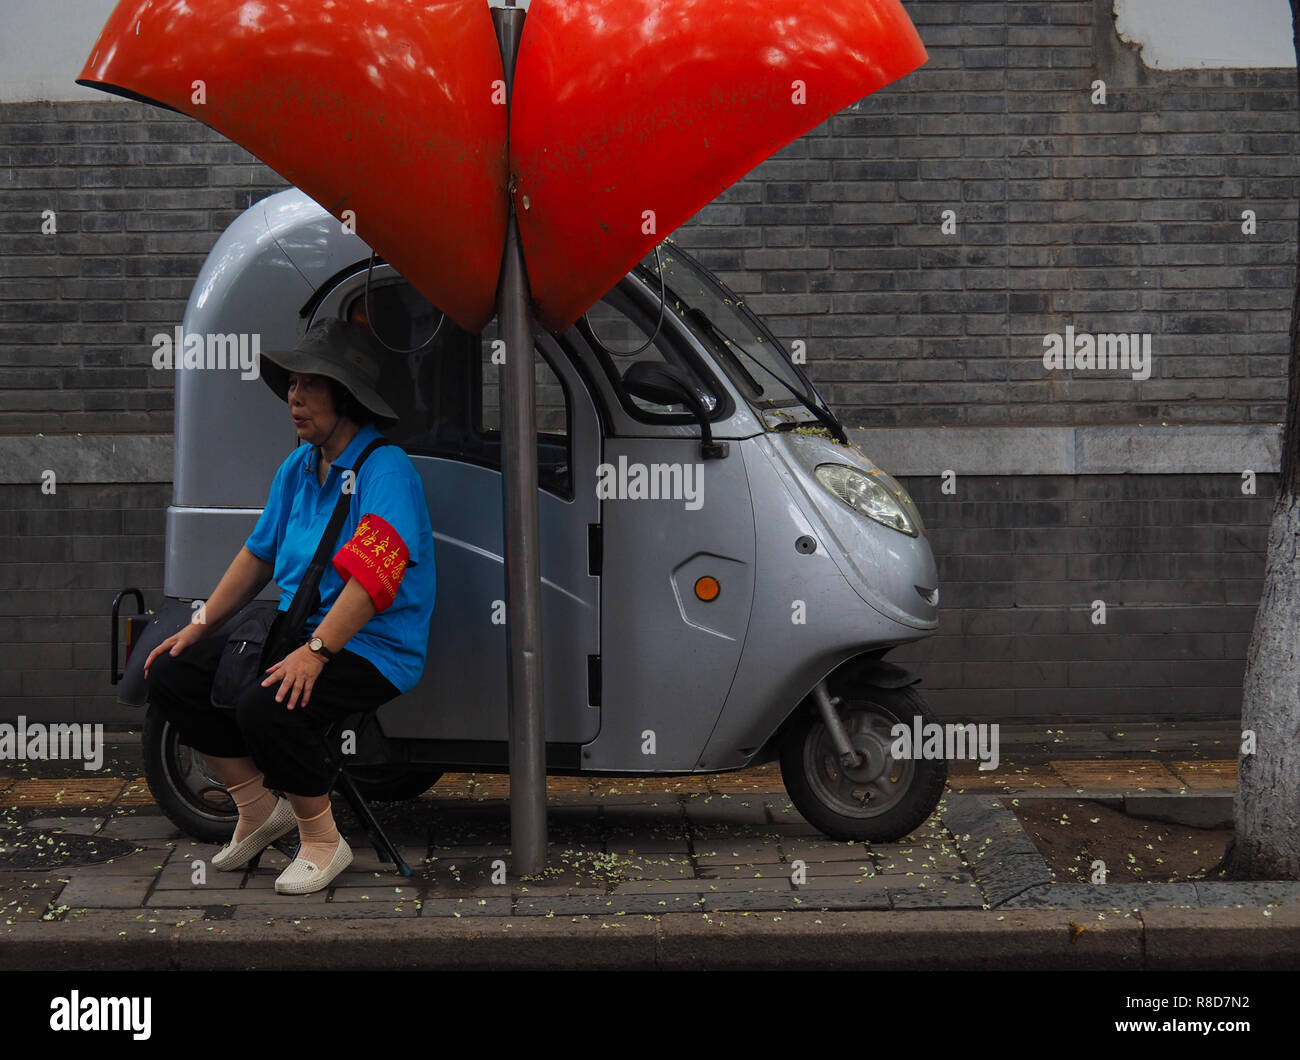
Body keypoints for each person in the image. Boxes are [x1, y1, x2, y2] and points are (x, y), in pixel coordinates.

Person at [144, 319, 436, 895]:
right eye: (292, 385)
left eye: (310, 385)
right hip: (300, 627)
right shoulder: (298, 467)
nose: (294, 399)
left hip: (372, 644)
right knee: (172, 674)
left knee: (268, 704)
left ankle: (325, 842)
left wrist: (317, 652)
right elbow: (257, 555)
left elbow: (375, 579)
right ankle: (257, 810)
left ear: (345, 396)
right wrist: (198, 625)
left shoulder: (387, 471)